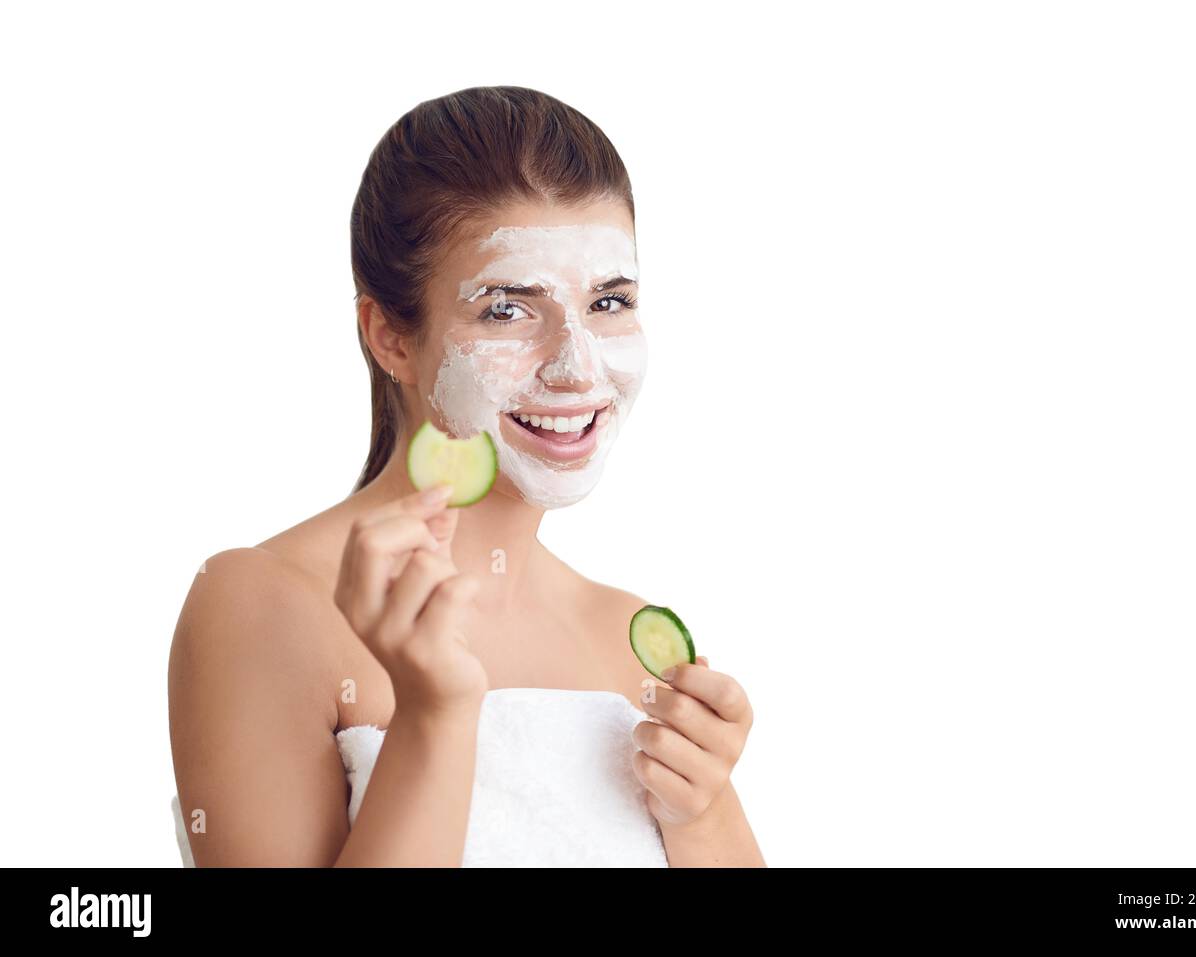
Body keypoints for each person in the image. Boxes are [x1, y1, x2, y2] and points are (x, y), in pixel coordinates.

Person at [168, 85, 763, 867]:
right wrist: (435, 715)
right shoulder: (261, 603)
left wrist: (701, 811)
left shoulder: (630, 639)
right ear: (391, 337)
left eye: (609, 301)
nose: (578, 367)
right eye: (507, 311)